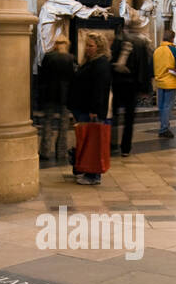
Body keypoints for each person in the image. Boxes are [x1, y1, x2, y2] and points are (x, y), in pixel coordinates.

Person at [67, 34, 111, 185]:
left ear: (99, 47)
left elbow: (99, 89)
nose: (87, 48)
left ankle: (93, 175)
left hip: (91, 109)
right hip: (82, 107)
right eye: (87, 45)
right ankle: (86, 169)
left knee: (93, 142)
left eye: (91, 45)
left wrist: (95, 110)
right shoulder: (91, 62)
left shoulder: (101, 63)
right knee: (86, 141)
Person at [110, 27, 151, 158]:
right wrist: (145, 88)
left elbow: (110, 61)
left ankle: (111, 144)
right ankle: (125, 148)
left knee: (113, 114)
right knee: (129, 117)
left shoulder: (117, 41)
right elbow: (144, 67)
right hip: (132, 84)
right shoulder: (140, 44)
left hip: (117, 83)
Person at [37, 33, 75, 164]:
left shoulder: (48, 57)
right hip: (65, 95)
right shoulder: (70, 58)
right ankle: (61, 152)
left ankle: (45, 151)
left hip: (50, 94)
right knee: (64, 124)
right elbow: (72, 79)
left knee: (47, 122)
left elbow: (42, 77)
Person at [153, 23, 176, 138]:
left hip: (159, 81)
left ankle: (163, 126)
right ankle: (164, 128)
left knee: (161, 106)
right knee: (168, 106)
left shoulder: (157, 50)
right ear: (172, 38)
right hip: (170, 82)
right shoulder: (174, 50)